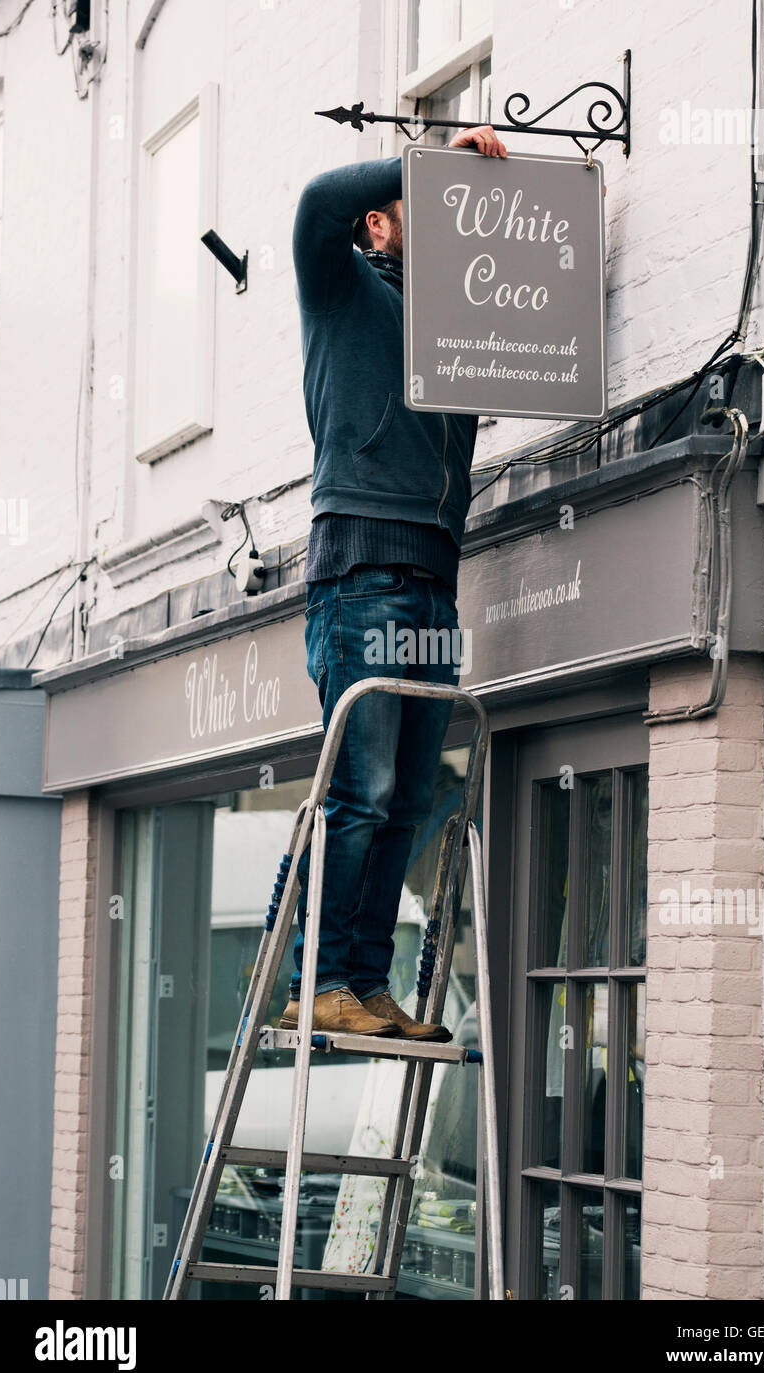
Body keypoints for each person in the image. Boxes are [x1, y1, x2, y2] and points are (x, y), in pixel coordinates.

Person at [279, 125, 508, 1040]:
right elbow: (314, 204)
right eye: (428, 208)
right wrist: (435, 160)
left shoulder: (451, 325)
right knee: (363, 792)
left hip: (434, 584)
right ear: (378, 226)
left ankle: (365, 984)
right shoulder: (341, 291)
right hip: (363, 573)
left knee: (407, 797)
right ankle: (323, 977)